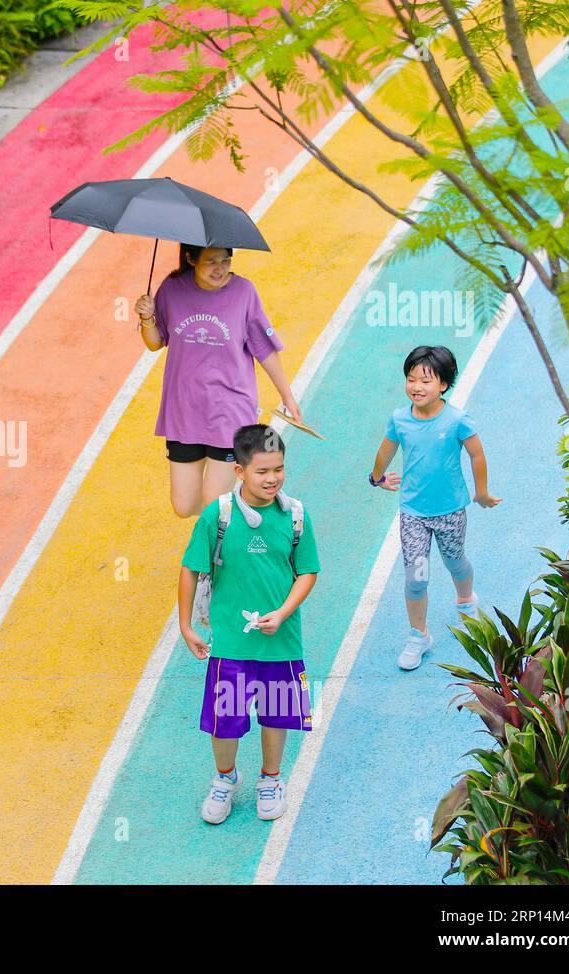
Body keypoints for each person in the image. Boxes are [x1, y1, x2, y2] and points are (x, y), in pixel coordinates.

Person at [179, 425, 320, 825]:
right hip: (230, 644)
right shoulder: (218, 515)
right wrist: (186, 625)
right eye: (262, 471)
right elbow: (190, 568)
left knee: (276, 716)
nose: (272, 478)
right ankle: (225, 778)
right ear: (239, 471)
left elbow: (307, 572)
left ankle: (271, 779)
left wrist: (283, 612)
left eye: (279, 469)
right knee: (225, 721)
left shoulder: (295, 515)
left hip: (281, 642)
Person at [135, 244, 303, 519]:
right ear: (190, 259)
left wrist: (287, 395)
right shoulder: (172, 289)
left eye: (225, 260)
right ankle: (236, 520)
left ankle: (222, 542)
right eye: (212, 261)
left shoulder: (243, 292)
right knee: (184, 507)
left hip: (230, 411)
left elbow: (264, 349)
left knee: (213, 505)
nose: (220, 268)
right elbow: (155, 342)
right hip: (184, 411)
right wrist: (147, 317)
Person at [368, 346, 500, 671]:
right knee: (416, 576)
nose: (416, 387)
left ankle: (466, 601)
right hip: (413, 513)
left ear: (443, 384)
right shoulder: (400, 419)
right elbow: (386, 450)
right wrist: (376, 478)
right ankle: (419, 635)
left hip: (450, 510)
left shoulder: (457, 420)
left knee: (455, 562)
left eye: (425, 381)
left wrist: (481, 492)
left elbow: (477, 455)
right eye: (411, 379)